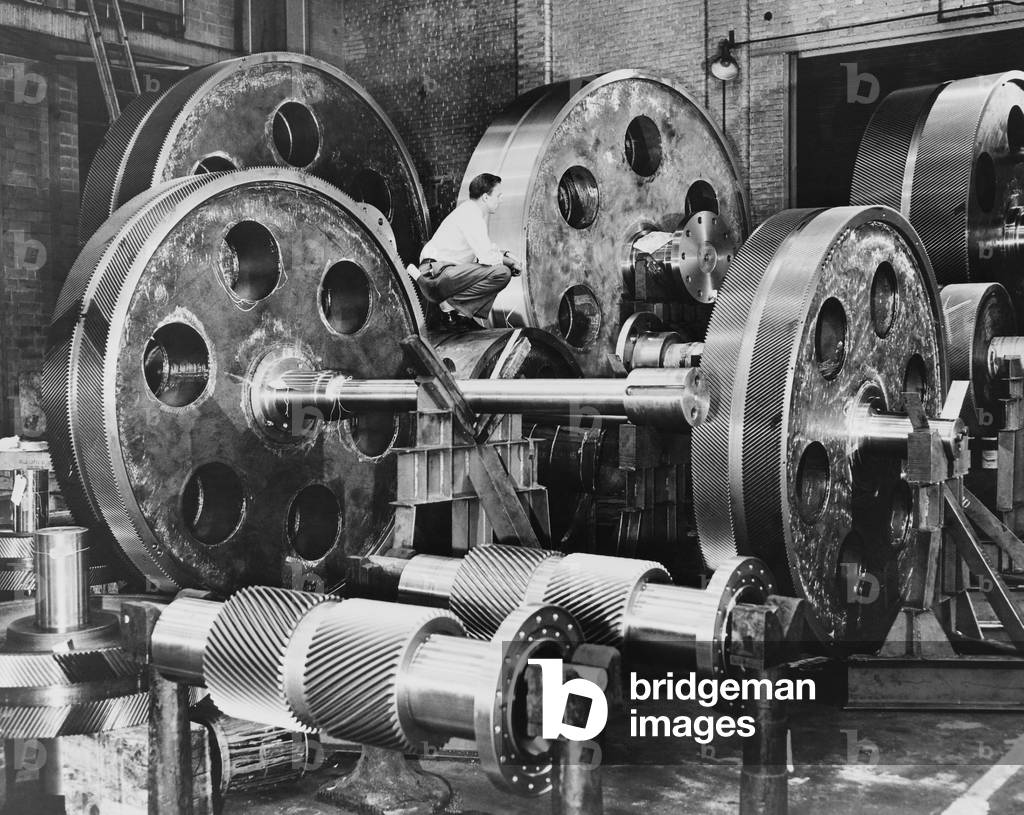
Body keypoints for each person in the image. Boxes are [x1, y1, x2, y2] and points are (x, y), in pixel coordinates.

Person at [414, 173, 524, 329]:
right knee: (502, 273)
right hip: (436, 273)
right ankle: (452, 308)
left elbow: (486, 250)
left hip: (442, 272)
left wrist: (505, 255)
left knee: (499, 269)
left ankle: (460, 314)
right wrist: (510, 263)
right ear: (485, 197)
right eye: (498, 195)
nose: (501, 199)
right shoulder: (471, 215)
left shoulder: (469, 211)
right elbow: (487, 258)